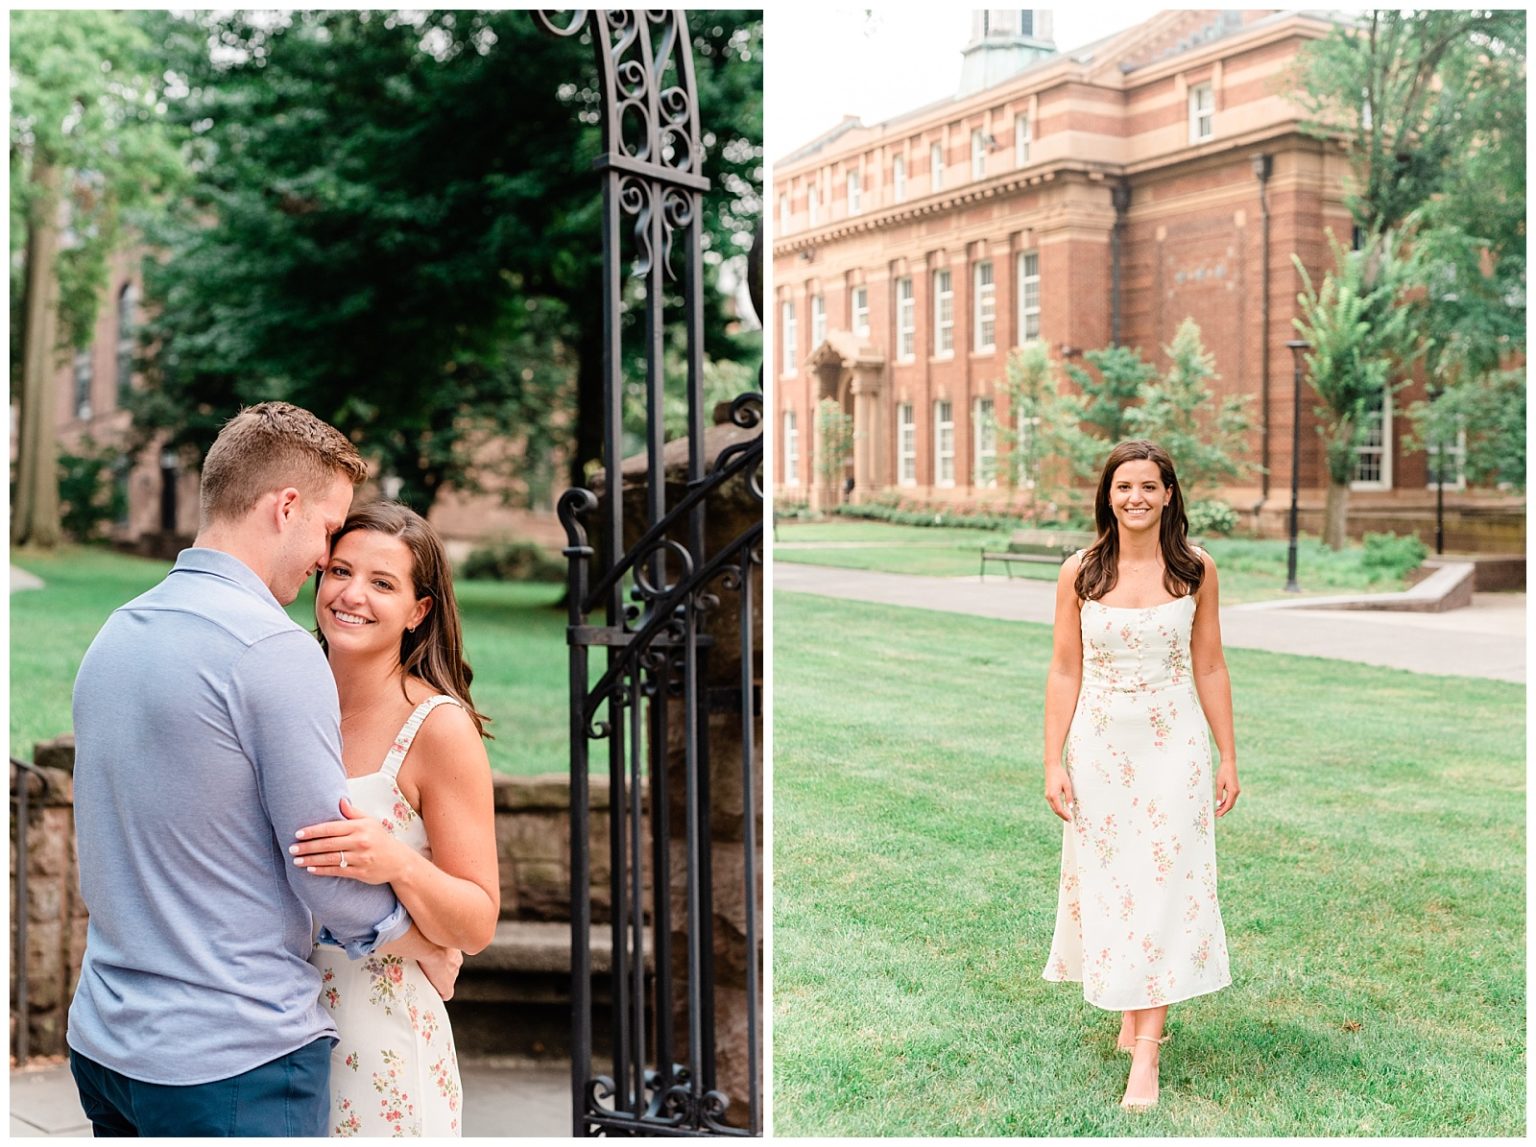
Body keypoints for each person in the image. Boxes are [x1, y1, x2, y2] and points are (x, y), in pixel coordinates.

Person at [68, 402, 460, 1136]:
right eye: (326, 529)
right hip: (231, 1059)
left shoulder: (116, 633)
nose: (324, 554)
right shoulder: (272, 650)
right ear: (285, 506)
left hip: (106, 1042)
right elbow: (326, 873)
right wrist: (426, 945)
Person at [287, 501, 499, 1137]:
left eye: (382, 583)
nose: (352, 595)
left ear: (419, 611)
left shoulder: (437, 728)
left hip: (380, 1051)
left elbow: (477, 919)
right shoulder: (285, 694)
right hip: (265, 1034)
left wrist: (396, 862)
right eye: (340, 571)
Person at [1041, 439, 1240, 1110]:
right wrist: (1052, 760)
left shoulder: (1195, 570)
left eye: (1149, 486)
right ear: (1107, 496)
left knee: (1164, 883)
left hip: (1174, 749)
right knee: (1116, 884)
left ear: (1169, 494)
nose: (1135, 497)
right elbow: (1065, 668)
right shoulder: (1080, 571)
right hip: (1099, 751)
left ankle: (1147, 1052)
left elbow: (1210, 665)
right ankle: (1131, 1008)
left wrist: (1227, 754)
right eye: (1123, 486)